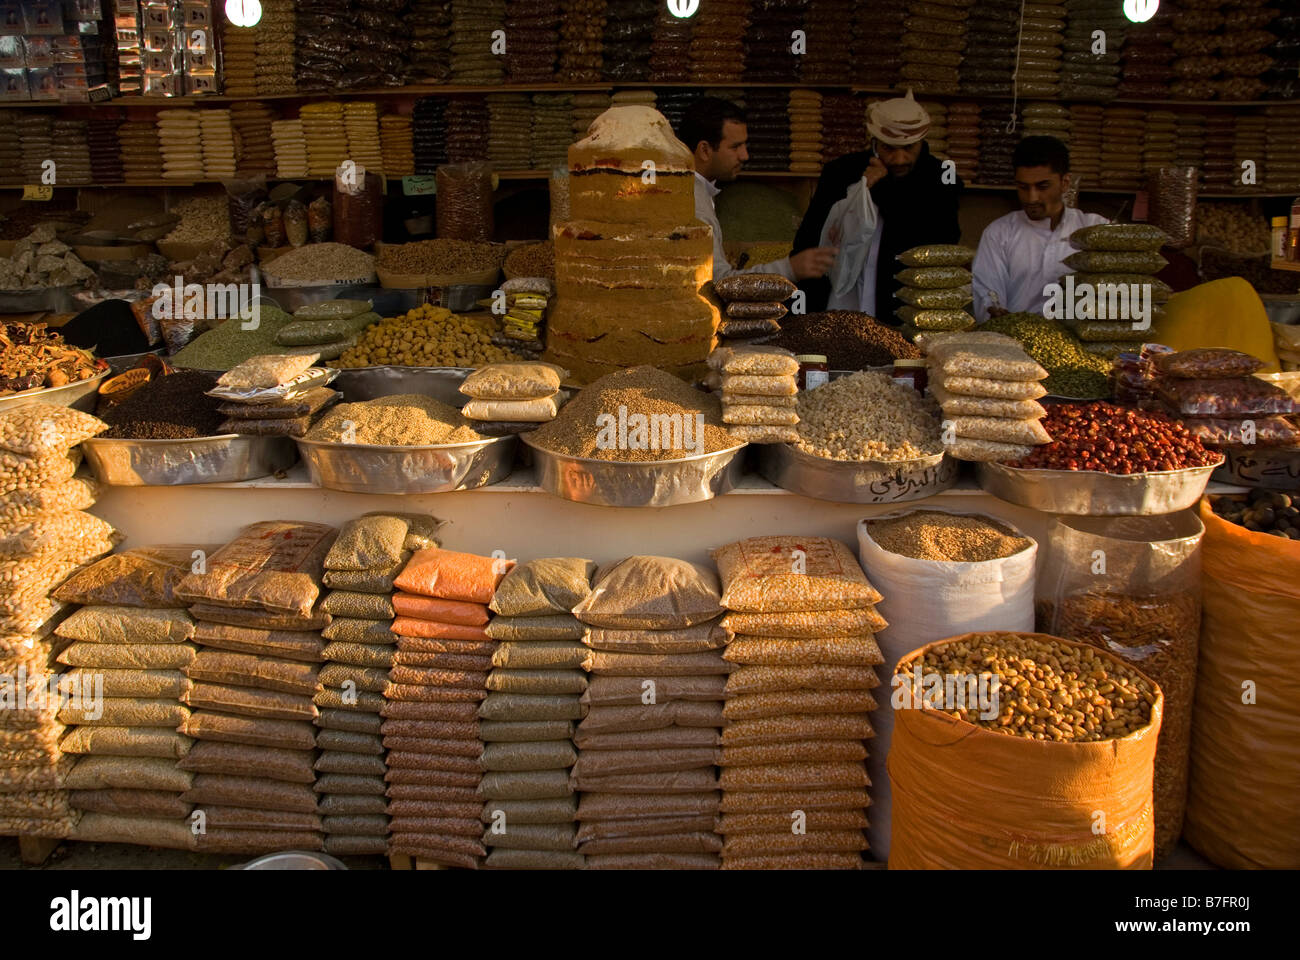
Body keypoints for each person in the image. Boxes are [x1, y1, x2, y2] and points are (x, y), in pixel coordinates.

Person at [790, 90, 963, 321]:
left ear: (921, 142)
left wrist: (882, 188)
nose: (899, 159)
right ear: (874, 141)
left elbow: (940, 240)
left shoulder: (941, 179)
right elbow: (810, 237)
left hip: (905, 311)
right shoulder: (841, 172)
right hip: (838, 302)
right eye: (889, 148)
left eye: (909, 148)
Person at [678, 97, 838, 282]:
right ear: (705, 150)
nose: (745, 155)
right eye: (735, 147)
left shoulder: (696, 191)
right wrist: (790, 268)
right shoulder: (693, 202)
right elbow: (720, 282)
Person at [971, 135, 1108, 321]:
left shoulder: (1095, 230)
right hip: (1015, 342)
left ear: (1064, 183)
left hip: (1080, 342)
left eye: (1042, 186)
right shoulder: (999, 233)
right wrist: (993, 310)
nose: (1031, 198)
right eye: (1023, 187)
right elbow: (987, 292)